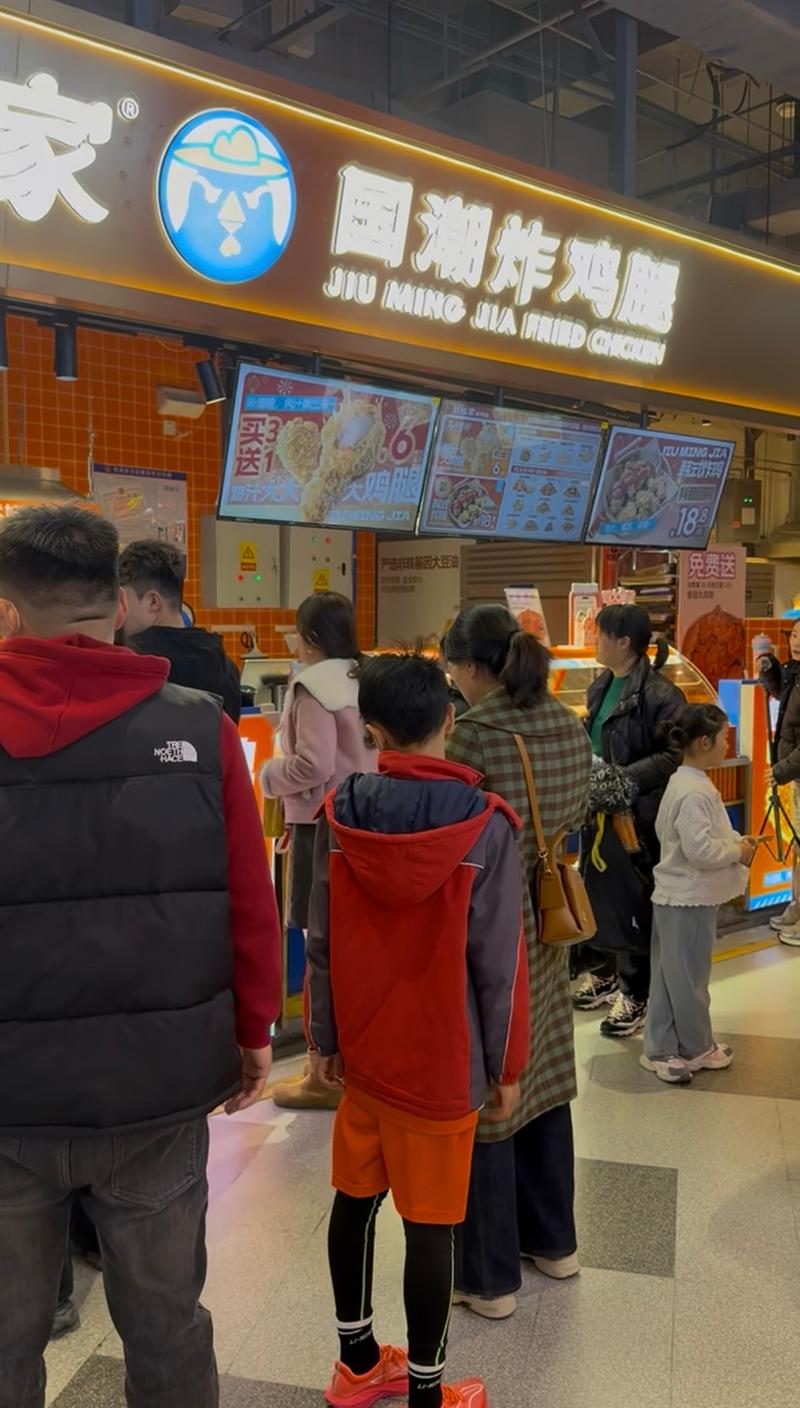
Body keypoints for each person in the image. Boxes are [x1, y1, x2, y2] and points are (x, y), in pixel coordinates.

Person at [0, 506, 281, 1408]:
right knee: (166, 1326)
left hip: (8, 1098)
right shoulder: (200, 727)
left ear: (7, 612)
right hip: (158, 1088)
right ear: (119, 605)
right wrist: (254, 1031)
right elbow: (248, 896)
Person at [306, 651, 530, 1408]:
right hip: (442, 1065)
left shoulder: (340, 813)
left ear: (371, 731)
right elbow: (500, 968)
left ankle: (356, 1362)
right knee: (431, 1226)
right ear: (450, 719)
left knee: (355, 1201)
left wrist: (324, 1039)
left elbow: (321, 941)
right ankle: (430, 1395)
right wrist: (507, 1067)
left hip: (365, 1057)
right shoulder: (485, 827)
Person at [443, 605, 591, 1319]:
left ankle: (490, 1279)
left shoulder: (473, 735)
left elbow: (453, 837)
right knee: (546, 1081)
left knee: (493, 1087)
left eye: (453, 669)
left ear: (473, 667)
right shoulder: (568, 722)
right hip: (551, 917)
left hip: (492, 927)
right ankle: (555, 1243)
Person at [263, 591, 377, 1111]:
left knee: (322, 949)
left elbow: (312, 764)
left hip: (323, 827)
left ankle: (323, 1071)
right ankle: (355, 1060)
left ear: (309, 637)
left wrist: (269, 776)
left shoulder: (313, 687)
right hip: (368, 821)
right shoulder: (363, 677)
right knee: (354, 946)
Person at [574, 604, 684, 1037]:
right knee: (600, 895)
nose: (594, 641)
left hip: (637, 816)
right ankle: (604, 971)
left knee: (633, 901)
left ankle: (636, 992)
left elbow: (673, 754)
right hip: (598, 809)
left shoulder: (660, 694)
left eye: (600, 634)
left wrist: (622, 780)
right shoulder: (601, 684)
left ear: (624, 642)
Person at [641, 704, 754, 1084]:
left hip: (674, 894)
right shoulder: (693, 791)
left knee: (669, 974)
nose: (727, 746)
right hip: (689, 895)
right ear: (704, 742)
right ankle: (695, 1047)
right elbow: (700, 851)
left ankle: (660, 1047)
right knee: (689, 978)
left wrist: (735, 841)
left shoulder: (684, 781)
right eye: (724, 738)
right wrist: (738, 852)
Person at [120, 539, 242, 722]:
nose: (120, 610)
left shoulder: (133, 664)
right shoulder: (226, 668)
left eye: (124, 600)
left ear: (153, 602)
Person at [759, 626, 800, 947]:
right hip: (797, 776)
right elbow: (782, 695)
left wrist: (782, 770)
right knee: (799, 848)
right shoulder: (795, 672)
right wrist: (770, 668)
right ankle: (797, 907)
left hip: (794, 770)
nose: (798, 642)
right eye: (795, 635)